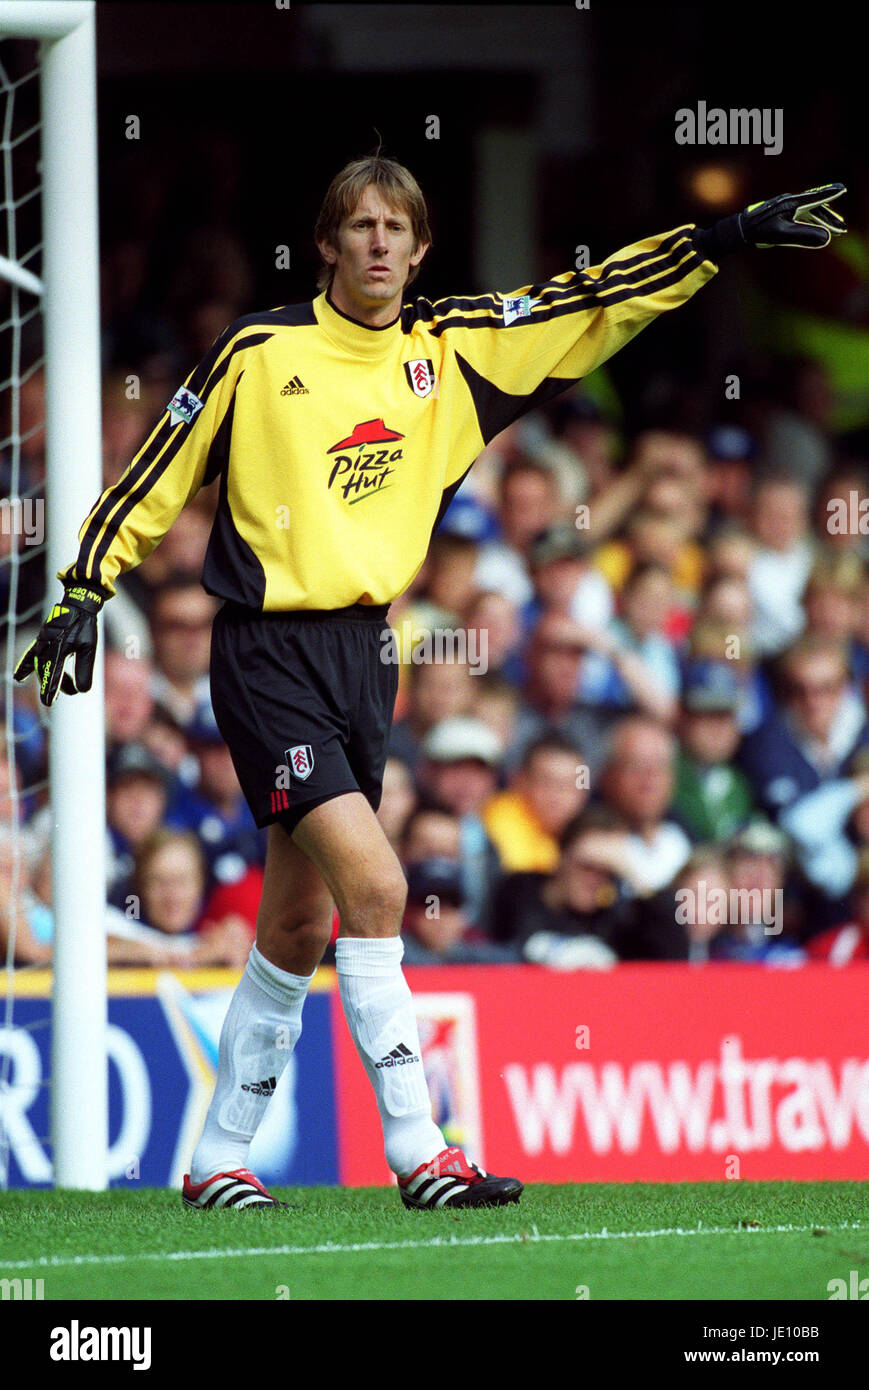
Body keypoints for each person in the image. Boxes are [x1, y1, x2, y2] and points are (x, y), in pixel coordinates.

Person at [14, 159, 847, 1211]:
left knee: (297, 926)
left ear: (419, 248)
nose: (374, 244)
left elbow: (588, 303)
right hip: (267, 651)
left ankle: (216, 1153)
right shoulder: (261, 352)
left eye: (393, 228)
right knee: (378, 888)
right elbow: (162, 464)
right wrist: (85, 582)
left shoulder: (448, 350)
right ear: (324, 244)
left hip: (368, 656)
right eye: (355, 226)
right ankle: (420, 1148)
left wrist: (716, 243)